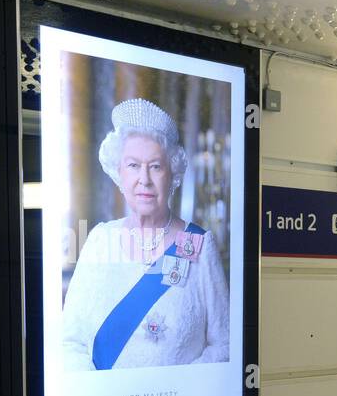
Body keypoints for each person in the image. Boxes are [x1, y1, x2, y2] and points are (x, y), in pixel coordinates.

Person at [61, 98, 229, 371]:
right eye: (133, 165)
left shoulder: (198, 243)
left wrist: (178, 389)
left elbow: (225, 344)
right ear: (119, 173)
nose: (145, 180)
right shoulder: (100, 241)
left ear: (172, 173)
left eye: (155, 166)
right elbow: (70, 341)